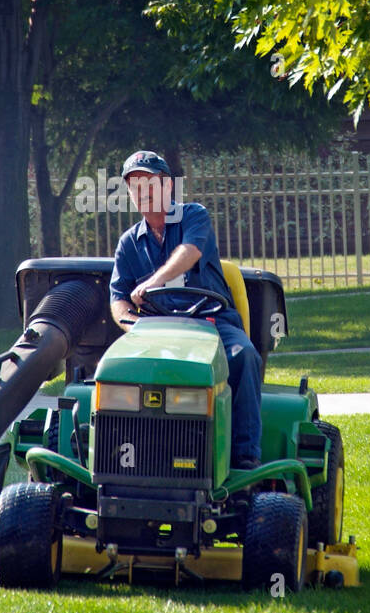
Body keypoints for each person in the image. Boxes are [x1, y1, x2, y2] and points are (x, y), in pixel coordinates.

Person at [109, 149, 263, 469]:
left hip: (211, 321)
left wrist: (154, 281)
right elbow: (118, 298)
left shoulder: (194, 215)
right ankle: (133, 459)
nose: (143, 192)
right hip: (158, 331)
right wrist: (134, 327)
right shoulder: (128, 243)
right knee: (116, 373)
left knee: (244, 355)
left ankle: (245, 456)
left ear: (168, 186)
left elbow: (189, 252)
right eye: (135, 185)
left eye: (150, 183)